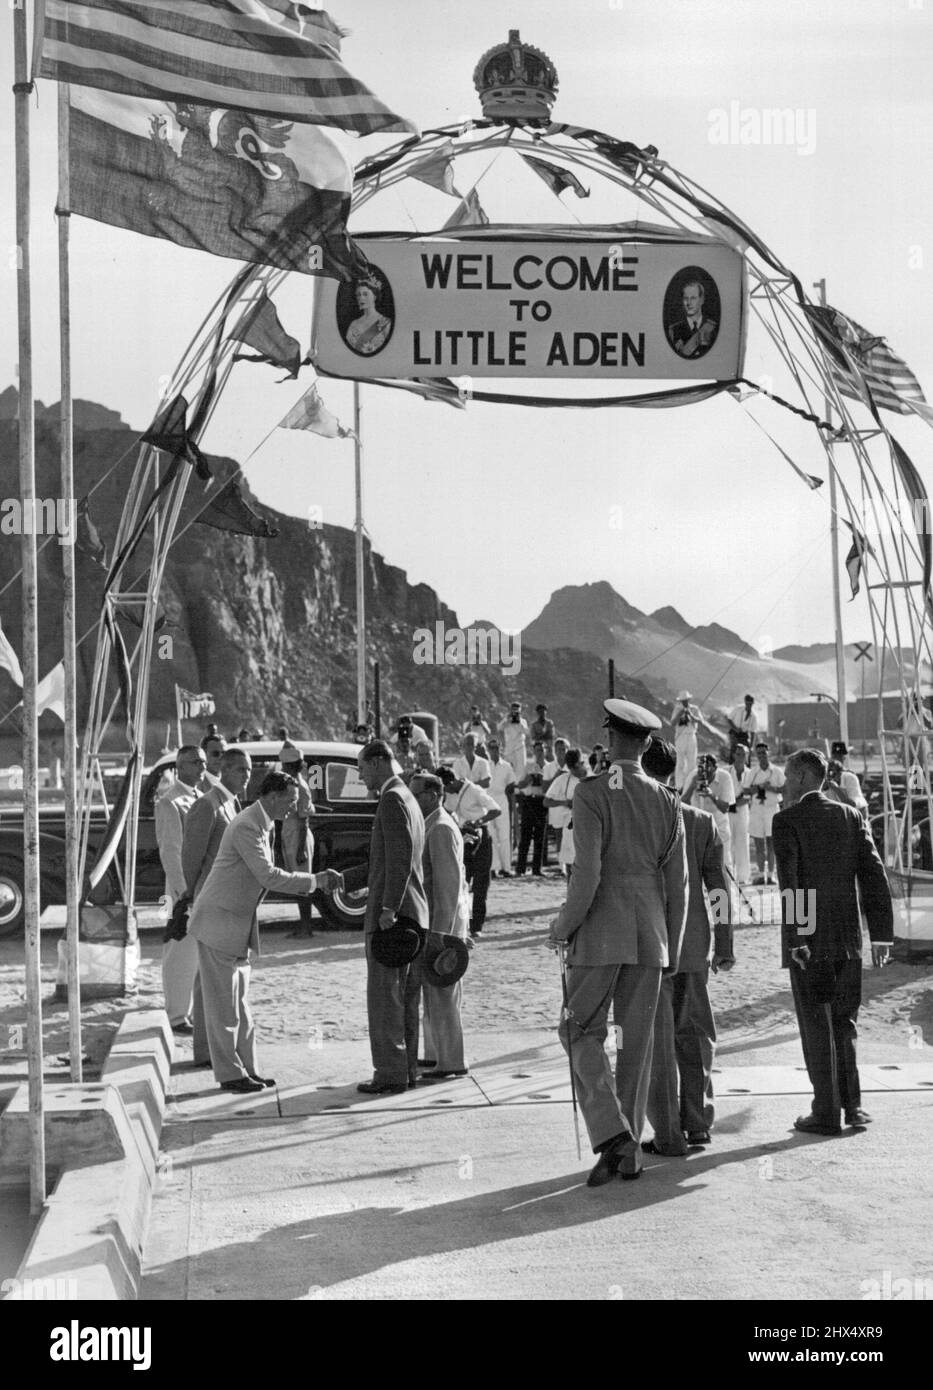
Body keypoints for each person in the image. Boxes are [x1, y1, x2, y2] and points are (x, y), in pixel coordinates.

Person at [549, 699, 687, 1187]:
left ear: (610, 739)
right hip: (651, 938)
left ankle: (612, 1134)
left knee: (577, 1030)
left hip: (599, 935)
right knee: (635, 1047)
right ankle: (626, 1156)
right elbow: (679, 886)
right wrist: (670, 945)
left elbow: (587, 875)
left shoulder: (592, 793)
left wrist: (563, 925)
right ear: (648, 743)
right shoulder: (668, 800)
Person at [188, 771, 343, 1093]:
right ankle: (230, 1075)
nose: (293, 807)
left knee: (239, 1005)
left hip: (233, 925)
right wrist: (314, 881)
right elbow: (268, 876)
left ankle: (247, 1068)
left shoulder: (262, 822)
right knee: (224, 1008)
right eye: (290, 800)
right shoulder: (248, 824)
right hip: (219, 923)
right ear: (272, 796)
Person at [773, 749, 893, 1134]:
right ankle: (853, 1107)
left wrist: (797, 937)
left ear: (806, 777)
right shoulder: (851, 816)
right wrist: (881, 935)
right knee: (845, 1023)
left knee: (816, 1027)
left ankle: (825, 1112)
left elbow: (790, 884)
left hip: (810, 944)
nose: (785, 784)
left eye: (790, 777)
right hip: (848, 941)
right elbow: (874, 876)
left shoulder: (786, 821)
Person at [642, 738, 734, 1154]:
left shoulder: (636, 816)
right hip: (694, 946)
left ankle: (666, 1130)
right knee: (694, 1036)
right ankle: (696, 1122)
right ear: (676, 770)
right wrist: (725, 943)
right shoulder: (701, 821)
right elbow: (719, 890)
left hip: (646, 945)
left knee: (653, 1038)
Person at [356, 740, 429, 1094]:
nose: (360, 775)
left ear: (378, 762)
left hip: (394, 917)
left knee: (385, 999)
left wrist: (387, 908)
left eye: (362, 767)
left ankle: (389, 1073)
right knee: (405, 999)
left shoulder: (392, 798)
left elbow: (399, 859)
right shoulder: (408, 796)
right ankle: (407, 1069)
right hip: (413, 913)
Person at [181, 747, 252, 1067]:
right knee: (211, 982)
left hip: (229, 904)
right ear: (223, 769)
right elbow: (191, 858)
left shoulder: (233, 804)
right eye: (240, 770)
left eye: (249, 771)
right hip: (211, 902)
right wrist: (194, 896)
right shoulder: (207, 805)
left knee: (214, 982)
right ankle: (207, 1052)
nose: (246, 776)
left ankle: (209, 1049)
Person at [410, 773, 470, 1079]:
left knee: (443, 995)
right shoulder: (434, 824)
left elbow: (448, 887)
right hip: (437, 923)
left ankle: (451, 1061)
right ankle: (436, 1055)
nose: (412, 800)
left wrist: (442, 935)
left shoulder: (441, 828)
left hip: (442, 925)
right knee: (435, 995)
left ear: (433, 795)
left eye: (416, 794)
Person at [156, 744, 206, 1035]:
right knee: (180, 950)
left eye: (202, 762)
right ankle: (176, 1014)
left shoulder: (198, 797)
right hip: (183, 889)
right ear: (180, 767)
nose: (201, 767)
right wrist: (184, 894)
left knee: (196, 952)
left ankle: (186, 1010)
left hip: (202, 885)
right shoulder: (170, 802)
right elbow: (171, 852)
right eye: (194, 762)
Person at [436, 765, 501, 938]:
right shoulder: (451, 793)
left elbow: (496, 809)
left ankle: (477, 926)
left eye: (445, 788)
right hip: (464, 838)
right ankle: (462, 924)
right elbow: (447, 811)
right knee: (462, 883)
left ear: (450, 782)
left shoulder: (474, 790)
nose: (445, 791)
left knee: (480, 885)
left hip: (481, 837)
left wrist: (477, 822)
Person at [278, 742, 317, 939]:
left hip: (298, 837)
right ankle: (303, 925)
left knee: (303, 883)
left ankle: (306, 926)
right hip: (291, 834)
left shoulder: (301, 787)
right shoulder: (291, 784)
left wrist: (301, 848)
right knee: (297, 882)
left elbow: (304, 820)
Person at [683, 752, 734, 875]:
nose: (705, 772)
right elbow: (682, 804)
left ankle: (729, 893)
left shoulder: (724, 777)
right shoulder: (694, 775)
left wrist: (711, 795)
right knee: (697, 867)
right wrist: (692, 786)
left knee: (723, 865)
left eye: (708, 768)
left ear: (716, 768)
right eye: (702, 768)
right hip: (698, 829)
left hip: (719, 827)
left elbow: (725, 808)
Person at [515, 739, 557, 876]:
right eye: (537, 750)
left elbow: (554, 786)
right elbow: (519, 785)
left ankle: (536, 868)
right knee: (525, 836)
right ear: (533, 751)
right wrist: (528, 779)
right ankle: (520, 868)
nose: (539, 753)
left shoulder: (550, 767)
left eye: (541, 750)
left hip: (541, 801)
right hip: (529, 800)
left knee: (540, 837)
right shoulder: (528, 766)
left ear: (545, 751)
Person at [546, 748, 587, 881]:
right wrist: (564, 802)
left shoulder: (592, 777)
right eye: (581, 763)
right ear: (574, 766)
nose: (584, 765)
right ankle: (571, 898)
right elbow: (546, 801)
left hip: (589, 826)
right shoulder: (563, 779)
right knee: (570, 865)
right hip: (570, 826)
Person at [747, 741, 785, 884]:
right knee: (758, 843)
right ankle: (760, 874)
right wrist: (758, 788)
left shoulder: (777, 771)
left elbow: (783, 788)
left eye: (764, 752)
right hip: (757, 809)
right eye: (759, 753)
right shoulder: (753, 771)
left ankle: (771, 875)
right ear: (756, 755)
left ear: (768, 753)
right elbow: (746, 790)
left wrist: (771, 788)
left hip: (771, 809)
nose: (762, 755)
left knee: (771, 843)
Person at [485, 737, 516, 876]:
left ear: (500, 748)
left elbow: (511, 784)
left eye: (496, 748)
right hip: (488, 798)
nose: (494, 751)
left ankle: (506, 867)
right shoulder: (485, 765)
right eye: (491, 748)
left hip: (502, 798)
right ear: (488, 750)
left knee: (504, 834)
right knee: (491, 834)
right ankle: (493, 868)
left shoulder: (507, 766)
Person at [667, 280, 717, 358]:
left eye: (693, 298)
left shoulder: (712, 328)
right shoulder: (673, 331)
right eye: (685, 298)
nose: (688, 303)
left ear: (702, 300)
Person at [344, 275, 392, 355]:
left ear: (374, 297)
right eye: (358, 295)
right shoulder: (353, 324)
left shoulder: (385, 323)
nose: (361, 298)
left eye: (365, 294)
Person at [728, 741, 753, 884]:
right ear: (733, 755)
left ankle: (743, 877)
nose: (741, 757)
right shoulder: (726, 772)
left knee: (742, 842)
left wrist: (735, 802)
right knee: (728, 842)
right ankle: (729, 875)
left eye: (744, 754)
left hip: (743, 811)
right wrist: (730, 803)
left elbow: (748, 796)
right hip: (727, 811)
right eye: (738, 754)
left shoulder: (750, 774)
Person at [669, 691, 700, 792]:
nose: (684, 703)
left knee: (692, 761)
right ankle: (679, 786)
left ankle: (690, 784)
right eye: (683, 701)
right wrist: (680, 714)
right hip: (681, 737)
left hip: (691, 735)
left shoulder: (694, 709)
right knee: (680, 762)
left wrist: (691, 715)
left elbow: (701, 721)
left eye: (686, 701)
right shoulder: (677, 709)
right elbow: (672, 723)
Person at [497, 701, 530, 785]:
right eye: (513, 710)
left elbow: (527, 732)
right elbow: (499, 728)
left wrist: (520, 723)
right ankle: (509, 785)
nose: (515, 712)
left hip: (520, 747)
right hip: (509, 747)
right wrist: (507, 721)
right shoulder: (506, 720)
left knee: (521, 768)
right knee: (508, 767)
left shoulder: (523, 721)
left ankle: (519, 786)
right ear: (510, 710)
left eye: (517, 711)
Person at [727, 693, 758, 759]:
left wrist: (751, 746)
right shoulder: (738, 709)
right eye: (747, 703)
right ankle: (732, 765)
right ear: (745, 702)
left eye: (750, 704)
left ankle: (747, 767)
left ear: (752, 704)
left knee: (746, 751)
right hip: (734, 732)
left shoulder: (754, 716)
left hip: (744, 734)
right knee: (734, 749)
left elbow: (753, 732)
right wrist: (735, 728)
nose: (749, 705)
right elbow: (729, 719)